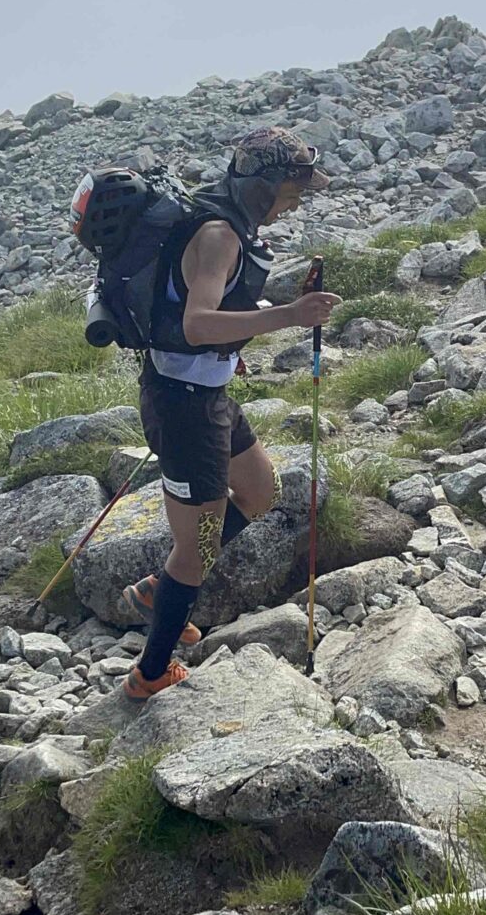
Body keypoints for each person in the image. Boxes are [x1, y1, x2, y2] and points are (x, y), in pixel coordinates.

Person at [122, 126, 340, 701]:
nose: (297, 202)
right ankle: (149, 673)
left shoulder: (229, 222)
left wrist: (241, 337)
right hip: (182, 407)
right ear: (264, 185)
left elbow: (201, 318)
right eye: (294, 190)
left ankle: (160, 588)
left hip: (207, 395)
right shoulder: (220, 235)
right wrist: (291, 315)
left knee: (261, 490)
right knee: (198, 546)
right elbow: (198, 324)